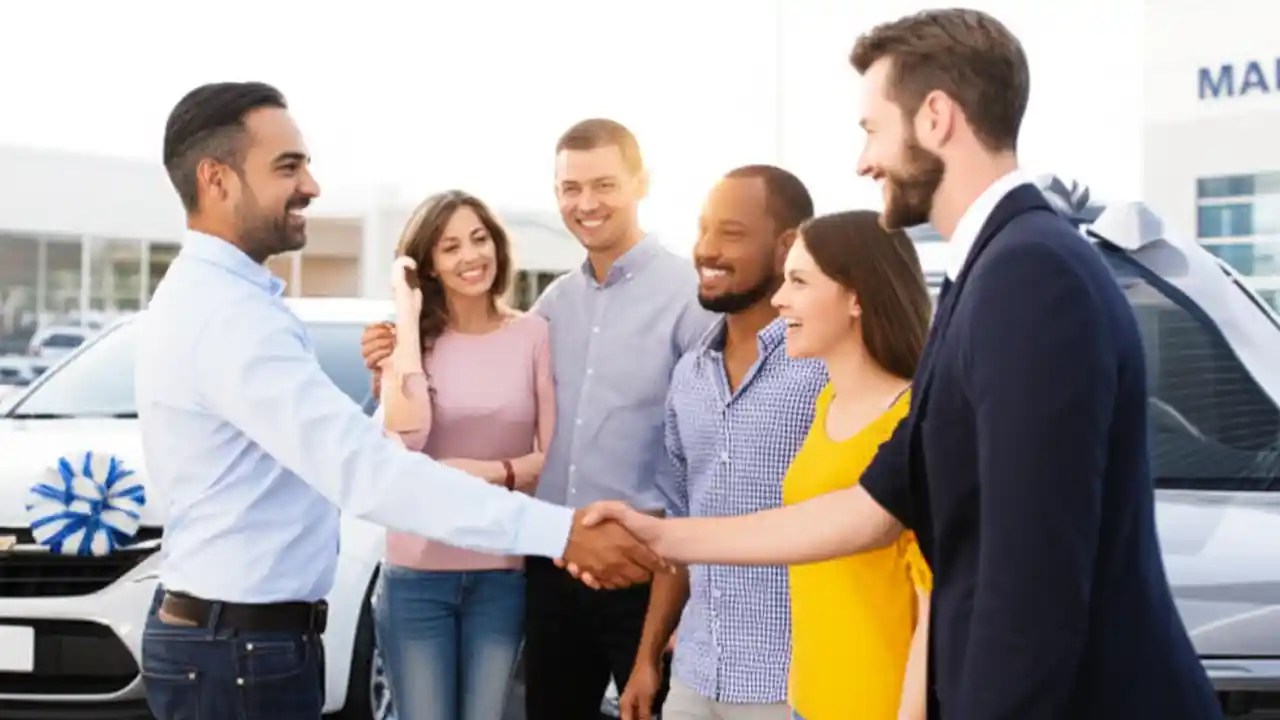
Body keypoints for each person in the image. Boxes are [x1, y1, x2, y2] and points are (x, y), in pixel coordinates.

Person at [573, 9, 1225, 719]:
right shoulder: (995, 271)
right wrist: (663, 535)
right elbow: (869, 508)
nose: (863, 161)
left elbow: (1031, 578)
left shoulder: (1031, 273)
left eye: (871, 129)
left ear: (937, 117)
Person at [136, 82, 662, 720]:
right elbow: (370, 471)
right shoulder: (226, 317)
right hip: (236, 653)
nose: (312, 185)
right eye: (288, 166)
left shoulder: (229, 301)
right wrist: (561, 532)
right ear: (216, 179)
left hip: (242, 646)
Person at [361, 118, 717, 719]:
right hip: (552, 565)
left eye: (603, 184)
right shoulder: (554, 307)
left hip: (641, 566)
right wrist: (395, 350)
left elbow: (712, 451)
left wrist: (696, 590)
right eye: (570, 188)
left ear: (642, 183)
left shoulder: (688, 295)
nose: (586, 203)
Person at [623, 165, 824, 720]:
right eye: (703, 229)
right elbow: (679, 530)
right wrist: (648, 660)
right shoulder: (689, 374)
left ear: (787, 246)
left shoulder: (826, 368)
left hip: (793, 683)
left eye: (730, 233)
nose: (706, 249)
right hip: (695, 674)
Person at [368, 190, 552, 720]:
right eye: (450, 247)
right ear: (427, 263)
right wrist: (407, 316)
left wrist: (491, 473)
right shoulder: (407, 342)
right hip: (416, 578)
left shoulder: (533, 334)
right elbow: (407, 440)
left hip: (501, 572)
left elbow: (555, 459)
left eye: (479, 239)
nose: (471, 256)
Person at [771, 210, 932, 720]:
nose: (779, 299)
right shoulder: (827, 405)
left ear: (856, 297)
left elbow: (933, 605)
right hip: (809, 703)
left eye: (799, 281)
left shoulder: (913, 424)